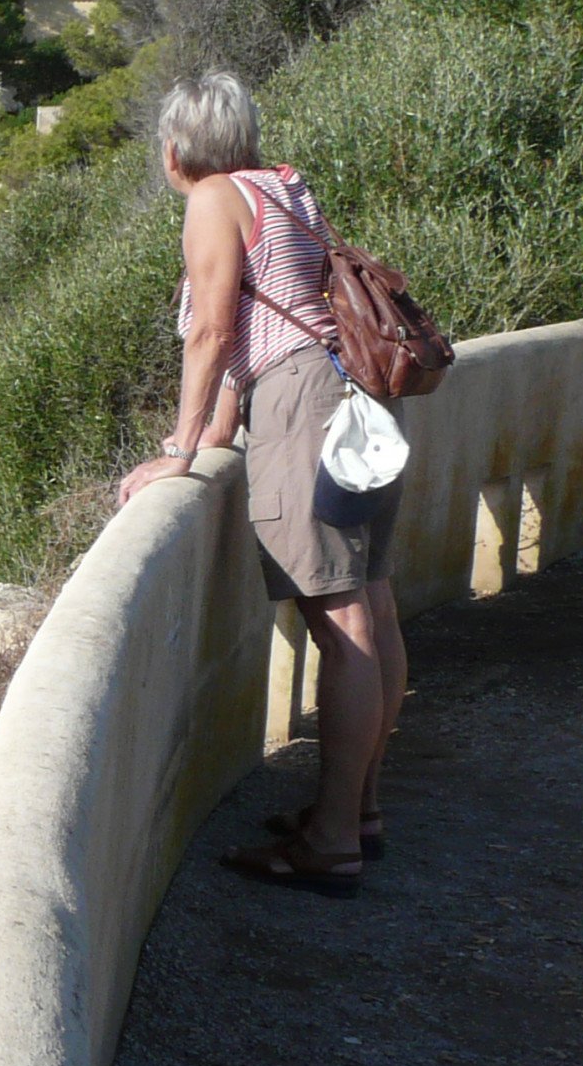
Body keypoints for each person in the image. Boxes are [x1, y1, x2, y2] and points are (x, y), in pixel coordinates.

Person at [116, 73, 407, 897]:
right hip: (355, 400)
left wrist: (180, 448)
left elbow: (213, 328)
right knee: (372, 603)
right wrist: (214, 430)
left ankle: (329, 843)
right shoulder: (282, 186)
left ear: (173, 149)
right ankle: (359, 810)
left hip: (303, 409)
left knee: (340, 618)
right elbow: (272, 308)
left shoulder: (211, 197)